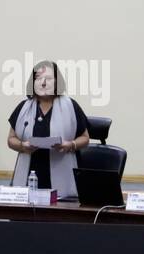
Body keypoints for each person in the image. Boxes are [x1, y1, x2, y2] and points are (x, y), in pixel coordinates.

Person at [6, 60, 91, 198]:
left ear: (57, 82)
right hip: (29, 178)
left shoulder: (70, 106)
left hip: (62, 178)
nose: (43, 83)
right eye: (38, 78)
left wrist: (70, 145)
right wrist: (22, 145)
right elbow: (11, 139)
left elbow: (85, 138)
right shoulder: (23, 107)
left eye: (49, 79)